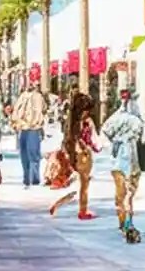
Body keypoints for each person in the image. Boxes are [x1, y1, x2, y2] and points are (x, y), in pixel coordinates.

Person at [102, 91, 145, 243]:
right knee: (129, 195)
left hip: (116, 161)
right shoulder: (136, 120)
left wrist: (116, 140)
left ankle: (122, 223)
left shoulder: (114, 118)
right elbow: (142, 137)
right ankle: (129, 224)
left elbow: (106, 130)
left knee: (120, 195)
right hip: (131, 161)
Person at [49, 92, 98, 220]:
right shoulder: (85, 122)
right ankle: (83, 211)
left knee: (75, 183)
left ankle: (59, 204)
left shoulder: (71, 123)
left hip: (73, 154)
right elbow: (90, 139)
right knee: (84, 185)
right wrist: (91, 148)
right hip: (83, 154)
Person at [11, 83, 46, 189]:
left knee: (33, 154)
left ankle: (33, 178)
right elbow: (16, 111)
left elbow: (41, 111)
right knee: (24, 154)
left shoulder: (38, 97)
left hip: (33, 129)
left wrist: (35, 123)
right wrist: (16, 122)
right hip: (23, 128)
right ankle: (27, 177)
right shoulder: (22, 96)